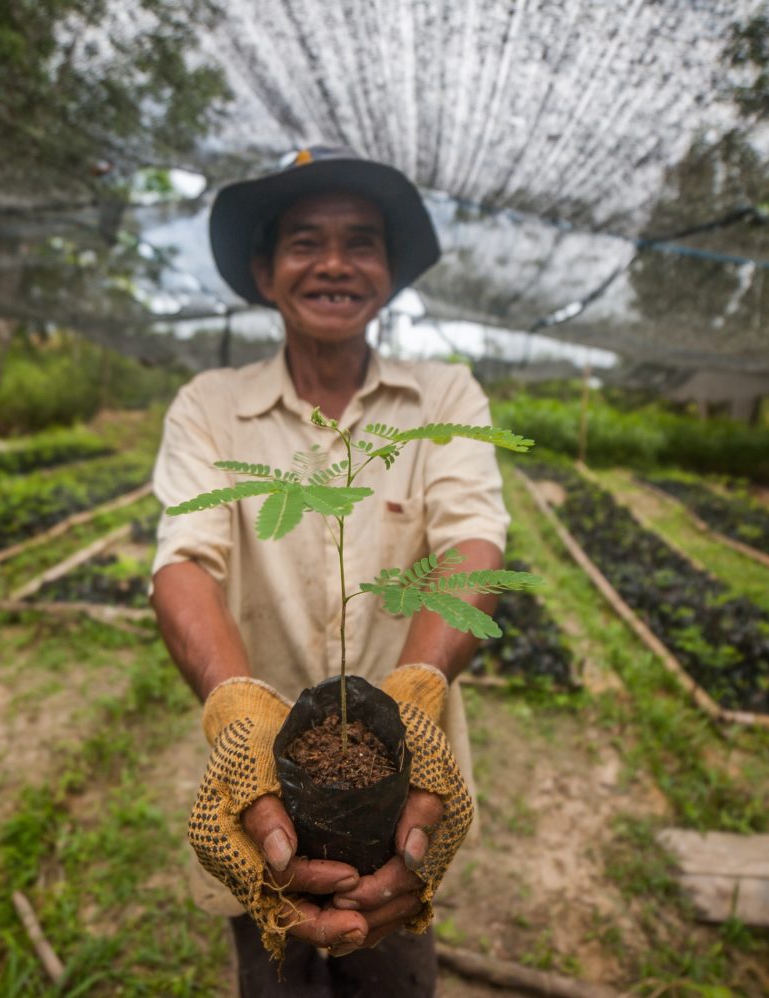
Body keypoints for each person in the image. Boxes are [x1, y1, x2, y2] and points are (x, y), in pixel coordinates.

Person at [150, 146, 509, 997]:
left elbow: (471, 546)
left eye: (362, 242)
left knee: (392, 968)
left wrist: (418, 689)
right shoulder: (209, 406)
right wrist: (237, 715)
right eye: (307, 241)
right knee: (271, 969)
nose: (336, 263)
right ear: (265, 270)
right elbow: (184, 561)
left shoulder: (443, 402)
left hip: (401, 782)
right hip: (259, 783)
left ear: (388, 272)